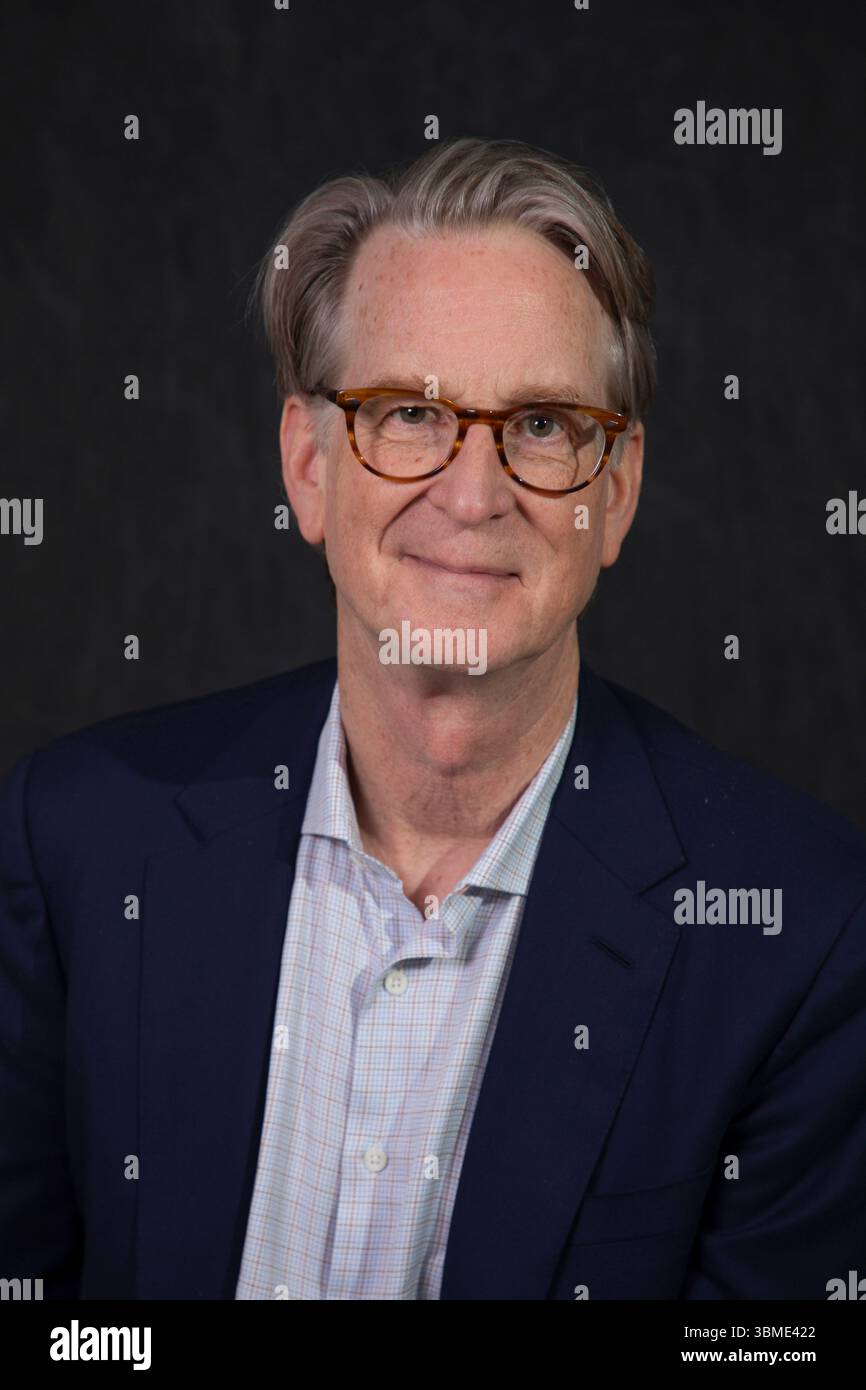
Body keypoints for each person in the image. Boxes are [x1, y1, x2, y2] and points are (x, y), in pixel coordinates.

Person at [1, 137, 864, 1301]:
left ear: (614, 493)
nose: (472, 492)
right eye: (408, 413)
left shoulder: (800, 935)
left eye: (545, 425)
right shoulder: (77, 840)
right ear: (308, 467)